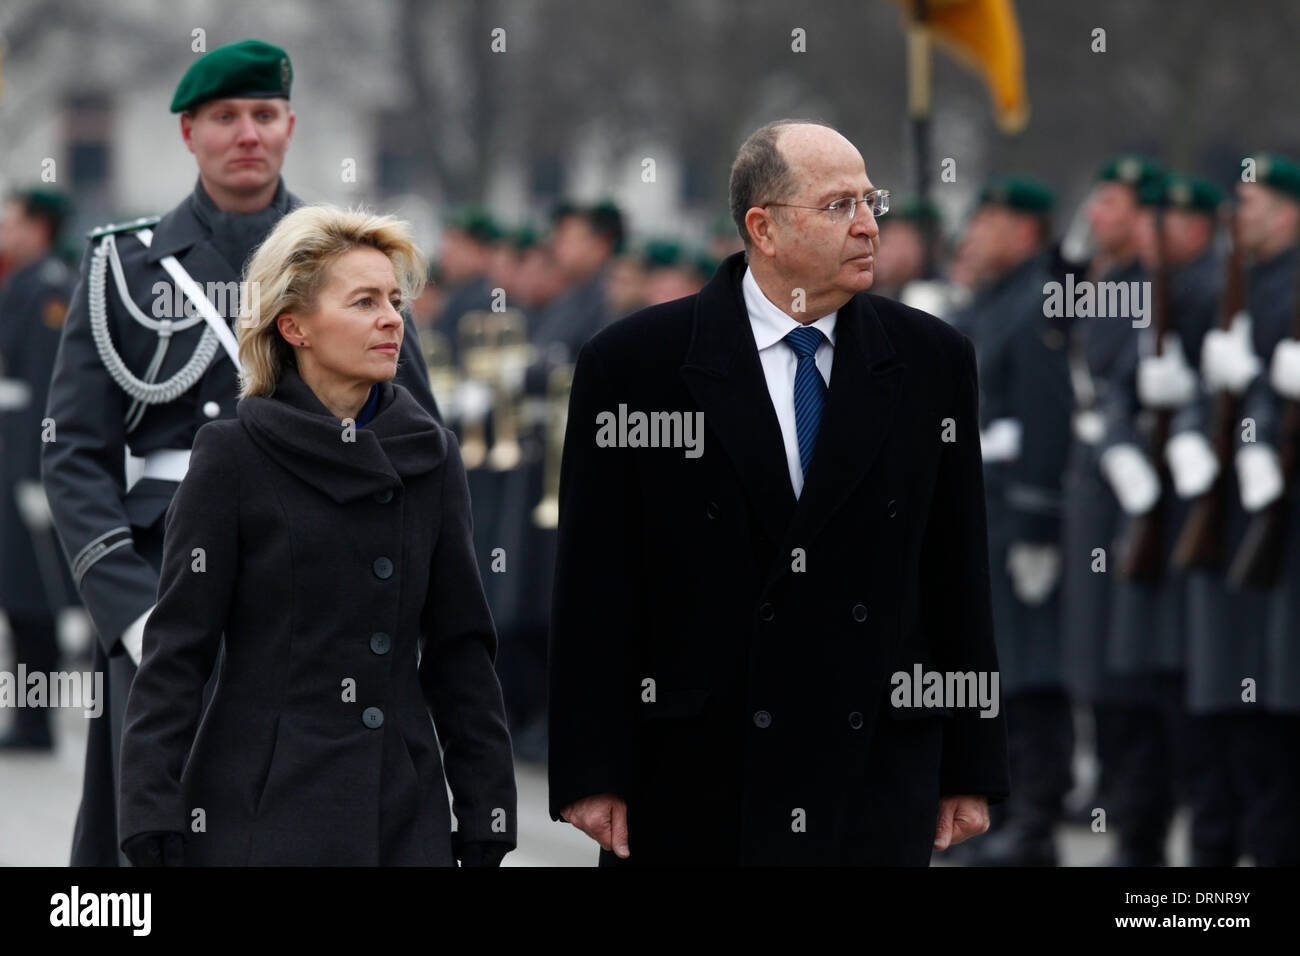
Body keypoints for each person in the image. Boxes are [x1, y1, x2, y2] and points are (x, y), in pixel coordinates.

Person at [547, 119, 1009, 866]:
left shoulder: (931, 360)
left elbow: (958, 574)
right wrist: (590, 769)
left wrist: (972, 765)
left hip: (870, 763)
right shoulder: (635, 364)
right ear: (762, 227)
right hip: (697, 766)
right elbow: (597, 582)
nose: (868, 226)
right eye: (838, 206)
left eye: (870, 201)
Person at [42, 38, 441, 867]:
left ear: (290, 127)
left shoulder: (344, 262)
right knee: (149, 824)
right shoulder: (124, 264)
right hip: (162, 586)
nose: (247, 134)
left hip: (317, 593)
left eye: (264, 115)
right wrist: (127, 613)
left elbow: (415, 439)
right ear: (189, 133)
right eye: (225, 117)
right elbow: (74, 452)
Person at [117, 205, 516, 866]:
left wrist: (486, 809)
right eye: (364, 301)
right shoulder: (233, 455)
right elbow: (179, 648)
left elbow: (460, 651)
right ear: (294, 324)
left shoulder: (430, 454)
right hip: (262, 812)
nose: (393, 318)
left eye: (394, 299)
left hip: (402, 810)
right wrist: (150, 814)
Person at [948, 176, 1073, 866]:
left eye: (988, 221)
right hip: (979, 518)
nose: (973, 233)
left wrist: (1036, 525)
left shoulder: (1037, 302)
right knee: (986, 677)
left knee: (1029, 676)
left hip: (1016, 520)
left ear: (1025, 230)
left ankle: (1032, 826)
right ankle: (992, 818)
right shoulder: (991, 301)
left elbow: (1046, 421)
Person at [0, 189, 78, 751]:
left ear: (39, 227)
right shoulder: (23, 282)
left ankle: (36, 722)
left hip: (25, 461)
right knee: (17, 595)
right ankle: (27, 719)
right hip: (10, 457)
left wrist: (34, 472)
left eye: (11, 221)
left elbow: (47, 389)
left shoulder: (50, 287)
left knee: (34, 597)